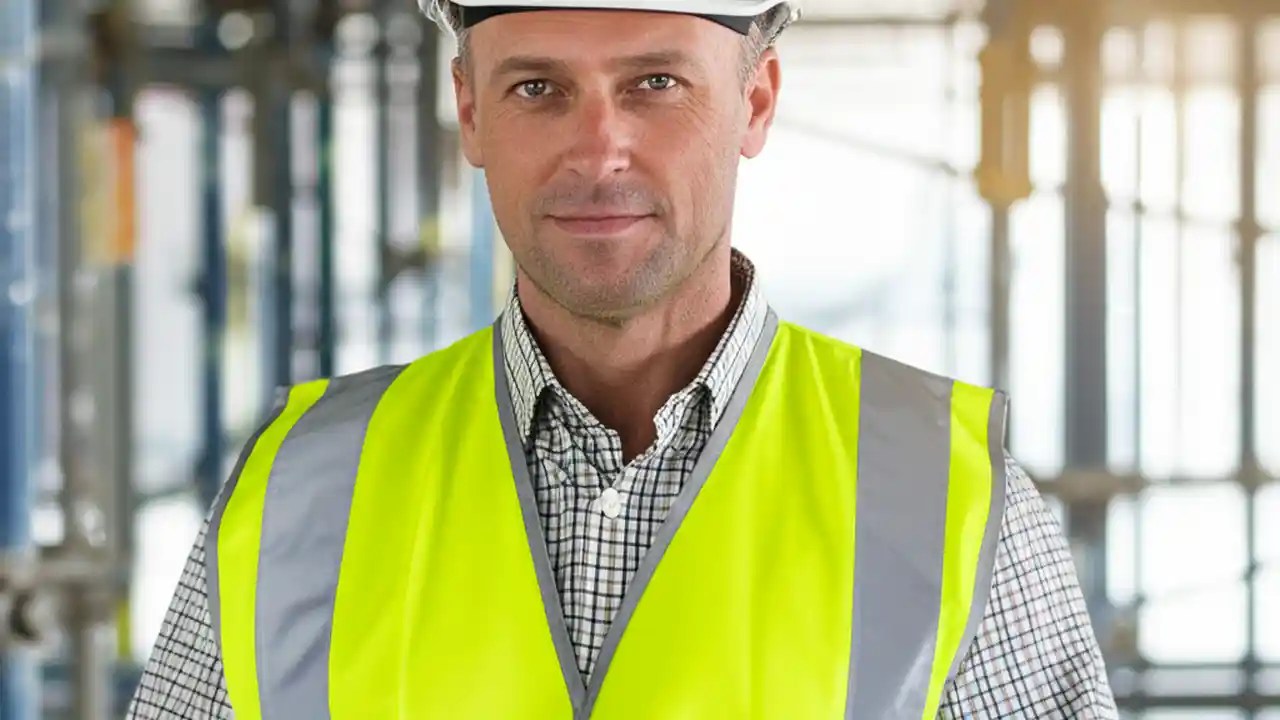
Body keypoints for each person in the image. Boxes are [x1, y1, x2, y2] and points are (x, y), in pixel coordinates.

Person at [128, 0, 1118, 717]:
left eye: (654, 83)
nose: (597, 148)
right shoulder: (303, 483)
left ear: (755, 102)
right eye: (537, 88)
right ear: (469, 112)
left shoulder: (945, 494)